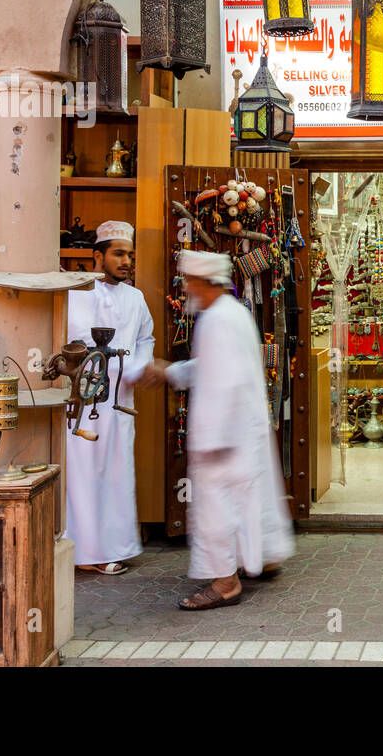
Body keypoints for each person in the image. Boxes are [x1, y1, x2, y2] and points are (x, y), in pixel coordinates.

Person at [137, 250, 295, 610]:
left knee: (217, 508)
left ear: (203, 282)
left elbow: (225, 382)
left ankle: (225, 583)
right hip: (243, 432)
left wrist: (211, 441)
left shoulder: (219, 320)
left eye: (189, 281)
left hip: (225, 435)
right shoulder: (231, 314)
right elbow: (212, 367)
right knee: (250, 499)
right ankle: (263, 557)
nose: (186, 288)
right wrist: (170, 372)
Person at [65, 221, 154, 575]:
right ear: (97, 256)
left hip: (122, 401)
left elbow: (146, 339)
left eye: (130, 255)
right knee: (85, 474)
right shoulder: (78, 292)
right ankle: (85, 552)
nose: (127, 261)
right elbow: (72, 342)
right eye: (119, 254)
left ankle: (113, 547)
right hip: (87, 402)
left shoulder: (136, 298)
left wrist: (135, 367)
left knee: (117, 473)